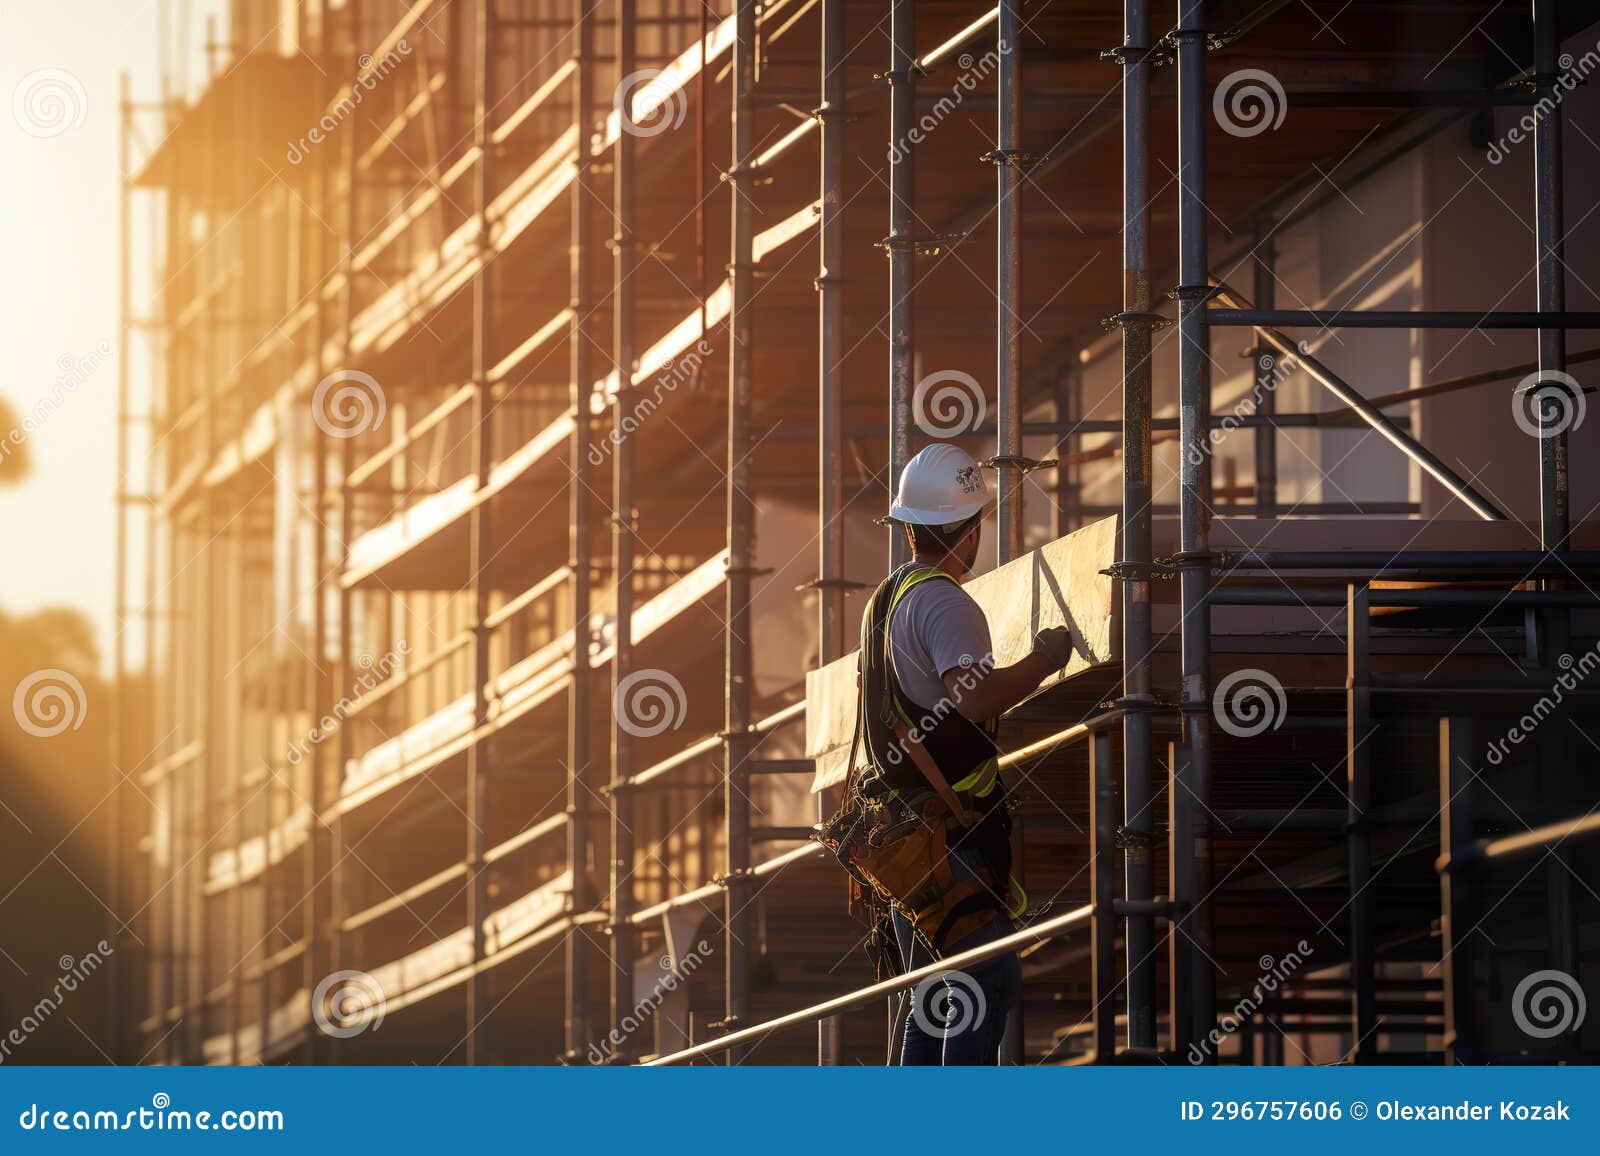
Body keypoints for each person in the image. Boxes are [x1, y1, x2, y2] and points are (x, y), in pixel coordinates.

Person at [855, 443, 1074, 1065]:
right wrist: (1045, 660)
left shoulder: (888, 598)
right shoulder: (944, 600)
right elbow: (972, 699)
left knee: (932, 998)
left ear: (910, 528)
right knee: (983, 984)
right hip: (948, 834)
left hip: (909, 834)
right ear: (969, 530)